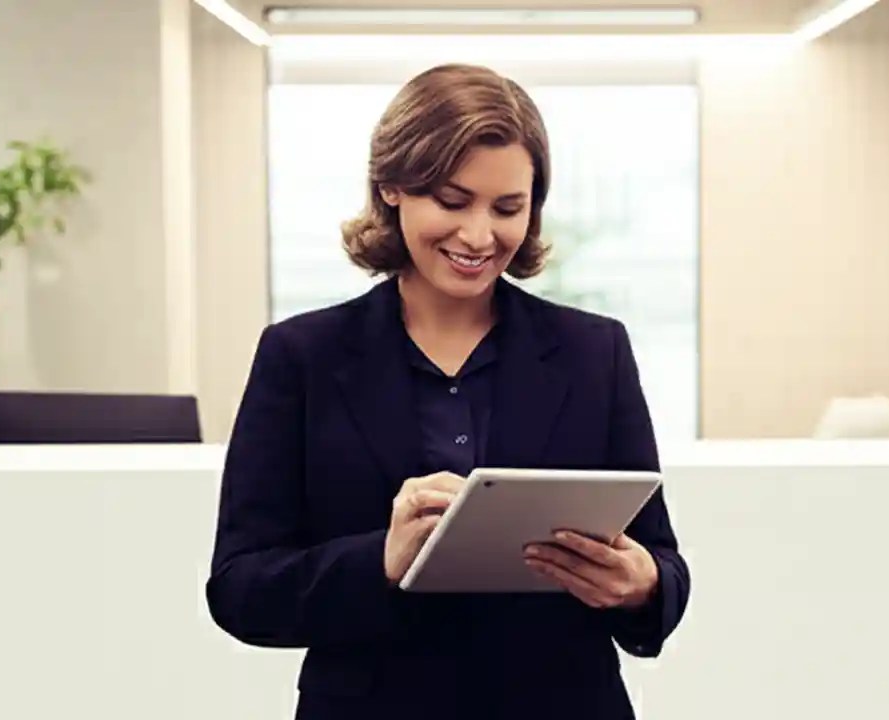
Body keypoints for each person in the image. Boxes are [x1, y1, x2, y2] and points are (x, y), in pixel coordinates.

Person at [205, 63, 690, 720]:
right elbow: (240, 588)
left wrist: (641, 585)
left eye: (508, 208)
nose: (479, 236)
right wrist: (381, 557)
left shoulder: (592, 352)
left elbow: (662, 562)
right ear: (393, 187)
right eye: (453, 202)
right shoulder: (303, 356)